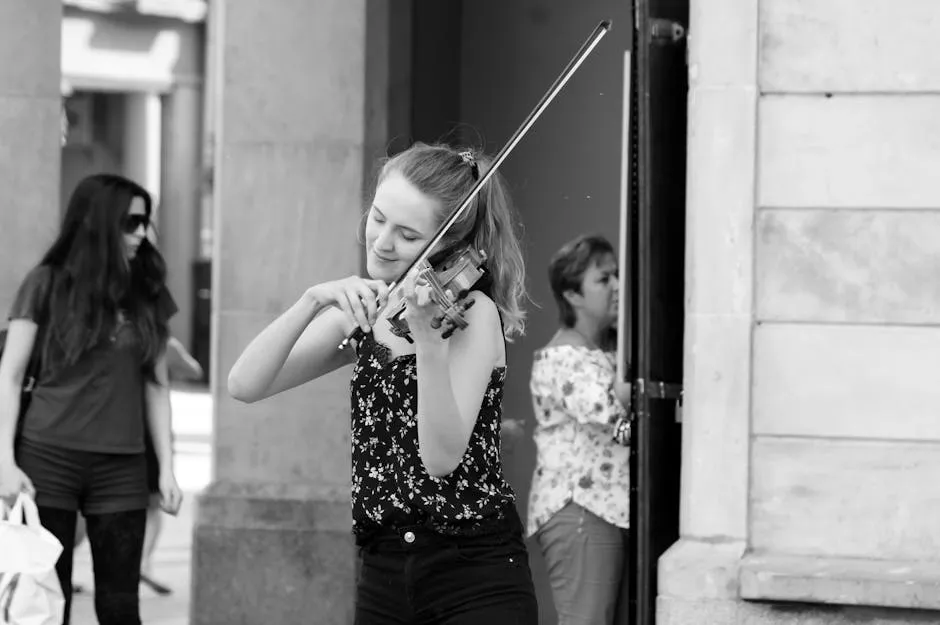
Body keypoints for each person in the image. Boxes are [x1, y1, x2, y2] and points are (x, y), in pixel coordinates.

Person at [228, 142, 538, 624]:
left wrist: (428, 343)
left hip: (473, 572)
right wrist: (312, 301)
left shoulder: (473, 315)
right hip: (384, 571)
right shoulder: (370, 311)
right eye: (378, 218)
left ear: (449, 244)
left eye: (408, 234)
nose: (382, 242)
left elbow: (441, 459)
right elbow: (244, 383)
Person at [0, 173, 184, 625]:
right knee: (45, 601)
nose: (142, 232)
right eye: (131, 222)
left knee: (121, 607)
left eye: (145, 222)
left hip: (122, 468)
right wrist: (4, 462)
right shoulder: (44, 283)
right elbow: (10, 374)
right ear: (99, 223)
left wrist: (168, 469)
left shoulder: (147, 291)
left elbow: (157, 387)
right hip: (46, 460)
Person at [526, 234, 633, 625]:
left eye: (618, 276)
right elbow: (609, 406)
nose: (618, 286)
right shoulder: (562, 358)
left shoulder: (601, 352)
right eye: (604, 280)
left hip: (602, 512)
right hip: (582, 512)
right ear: (573, 295)